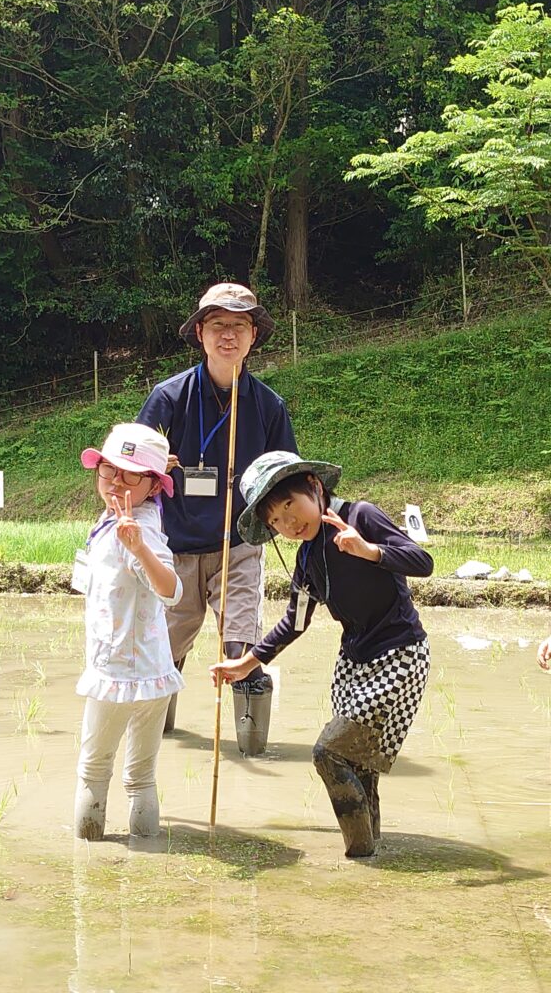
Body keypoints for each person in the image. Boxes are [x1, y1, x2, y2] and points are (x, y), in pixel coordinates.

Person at [210, 451, 434, 858]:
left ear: (314, 487)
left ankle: (358, 858)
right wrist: (248, 662)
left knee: (329, 752)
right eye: (275, 520)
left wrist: (368, 550)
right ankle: (372, 854)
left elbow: (423, 561)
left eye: (290, 506)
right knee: (361, 767)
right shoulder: (306, 558)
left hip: (400, 654)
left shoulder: (361, 516)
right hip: (353, 663)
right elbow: (295, 622)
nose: (289, 524)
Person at [137, 282, 298, 754]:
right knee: (165, 652)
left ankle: (252, 751)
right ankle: (154, 736)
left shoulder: (269, 406)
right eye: (218, 325)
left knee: (242, 649)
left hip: (239, 546)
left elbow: (287, 478)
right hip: (175, 547)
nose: (228, 335)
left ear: (253, 336)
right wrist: (154, 467)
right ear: (201, 333)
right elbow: (134, 464)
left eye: (239, 326)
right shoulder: (168, 398)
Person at [74, 422, 184, 840]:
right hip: (152, 675)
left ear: (153, 486)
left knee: (93, 771)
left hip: (117, 675)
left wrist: (138, 548)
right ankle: (146, 859)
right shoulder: (118, 517)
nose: (116, 481)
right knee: (141, 778)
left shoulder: (140, 530)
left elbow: (171, 590)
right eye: (109, 469)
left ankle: (85, 862)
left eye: (130, 474)